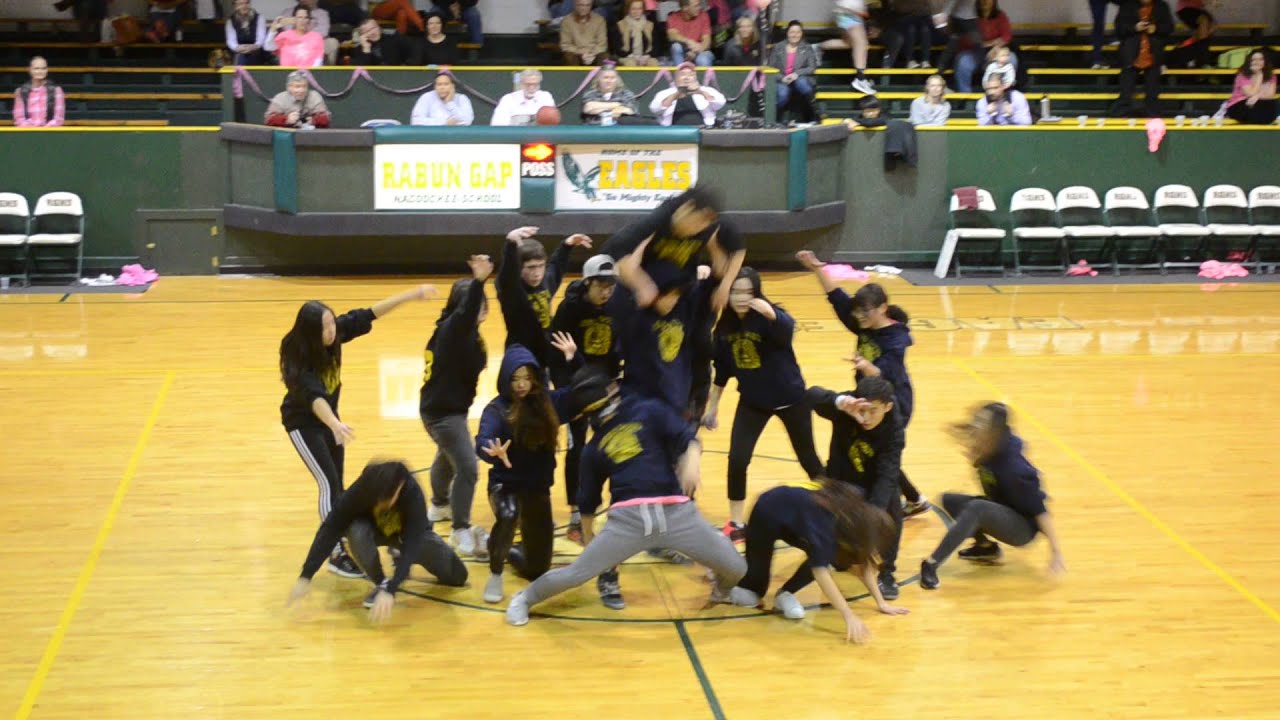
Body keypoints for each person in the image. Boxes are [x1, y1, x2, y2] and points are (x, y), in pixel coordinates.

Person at [504, 368, 748, 626]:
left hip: (678, 514)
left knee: (736, 567)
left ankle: (723, 592)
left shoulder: (649, 411)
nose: (602, 414)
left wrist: (691, 459)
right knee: (576, 573)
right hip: (627, 522)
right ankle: (524, 598)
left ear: (613, 392)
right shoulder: (593, 449)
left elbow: (686, 437)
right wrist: (590, 543)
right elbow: (587, 502)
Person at [279, 284, 435, 579]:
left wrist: (409, 295)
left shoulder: (334, 333)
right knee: (327, 483)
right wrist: (334, 423)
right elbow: (313, 396)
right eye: (325, 327)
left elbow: (369, 314)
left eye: (332, 323)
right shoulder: (295, 355)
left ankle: (339, 542)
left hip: (330, 421)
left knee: (338, 484)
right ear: (311, 331)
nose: (332, 331)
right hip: (303, 423)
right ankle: (336, 553)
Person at [797, 251, 928, 518]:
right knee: (877, 450)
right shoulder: (863, 323)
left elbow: (888, 371)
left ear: (882, 308)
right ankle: (915, 498)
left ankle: (887, 510)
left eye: (865, 311)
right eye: (857, 312)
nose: (858, 317)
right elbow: (838, 299)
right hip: (868, 396)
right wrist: (816, 268)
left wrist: (868, 368)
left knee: (882, 451)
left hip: (894, 403)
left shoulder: (896, 337)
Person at [702, 268, 824, 541]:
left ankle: (838, 509)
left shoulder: (769, 317)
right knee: (737, 459)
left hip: (791, 400)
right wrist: (712, 407)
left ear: (757, 293)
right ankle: (736, 523)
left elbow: (786, 329)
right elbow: (721, 372)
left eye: (748, 292)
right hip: (753, 402)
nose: (741, 298)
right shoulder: (724, 329)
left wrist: (771, 314)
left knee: (808, 458)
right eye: (735, 291)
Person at [286, 460, 468, 623]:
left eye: (386, 501)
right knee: (355, 529)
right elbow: (331, 527)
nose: (381, 504)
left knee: (458, 577)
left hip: (408, 535)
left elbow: (413, 544)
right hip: (375, 531)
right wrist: (306, 575)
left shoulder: (412, 493)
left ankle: (397, 555)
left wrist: (393, 587)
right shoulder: (362, 488)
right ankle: (380, 582)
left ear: (399, 488)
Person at [728, 478, 909, 642]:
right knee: (752, 592)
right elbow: (820, 572)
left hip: (797, 522)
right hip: (767, 512)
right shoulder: (826, 523)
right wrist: (848, 615)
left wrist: (881, 603)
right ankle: (720, 560)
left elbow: (863, 562)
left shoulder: (858, 513)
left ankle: (785, 593)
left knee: (832, 555)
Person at [476, 337, 581, 603]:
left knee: (537, 569)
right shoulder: (496, 410)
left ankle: (493, 543)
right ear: (506, 381)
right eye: (515, 379)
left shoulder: (548, 403)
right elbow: (483, 439)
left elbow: (579, 394)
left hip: (536, 489)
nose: (521, 384)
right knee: (509, 514)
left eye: (526, 377)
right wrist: (491, 450)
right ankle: (495, 573)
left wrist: (573, 360)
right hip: (505, 485)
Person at [919, 403, 1066, 590]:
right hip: (1001, 507)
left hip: (1021, 529)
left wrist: (1056, 552)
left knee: (977, 508)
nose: (975, 425)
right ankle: (986, 548)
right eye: (976, 419)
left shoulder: (1015, 469)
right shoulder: (988, 445)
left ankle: (931, 564)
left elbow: (1040, 510)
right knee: (950, 500)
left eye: (981, 422)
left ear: (994, 432)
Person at [807, 376, 907, 600]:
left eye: (874, 411)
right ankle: (842, 554)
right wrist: (841, 402)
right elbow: (811, 395)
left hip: (874, 481)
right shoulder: (847, 407)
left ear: (888, 407)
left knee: (891, 511)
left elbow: (888, 475)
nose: (865, 417)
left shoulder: (894, 430)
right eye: (863, 409)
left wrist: (873, 513)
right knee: (830, 519)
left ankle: (887, 572)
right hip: (841, 478)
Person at [420, 256, 492, 558]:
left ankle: (438, 505)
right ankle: (460, 527)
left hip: (448, 409)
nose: (482, 307)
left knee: (447, 457)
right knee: (468, 467)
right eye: (476, 303)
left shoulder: (459, 330)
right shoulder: (454, 329)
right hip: (442, 414)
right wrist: (478, 282)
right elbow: (464, 316)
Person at [550, 255, 620, 543]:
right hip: (577, 386)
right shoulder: (570, 309)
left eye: (611, 286)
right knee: (577, 449)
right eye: (601, 285)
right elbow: (554, 354)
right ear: (588, 282)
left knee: (614, 446)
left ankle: (618, 509)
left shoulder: (618, 306)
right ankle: (576, 514)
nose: (606, 291)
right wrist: (569, 394)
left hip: (607, 386)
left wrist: (617, 383)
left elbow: (618, 347)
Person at [601, 185, 744, 315]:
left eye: (705, 225)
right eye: (697, 222)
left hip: (678, 284)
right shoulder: (660, 218)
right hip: (649, 280)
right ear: (687, 208)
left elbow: (738, 249)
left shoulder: (710, 223)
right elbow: (613, 248)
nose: (699, 230)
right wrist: (643, 285)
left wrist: (725, 285)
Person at [497, 226, 592, 373]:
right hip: (521, 353)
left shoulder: (545, 282)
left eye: (541, 266)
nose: (537, 273)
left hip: (544, 352)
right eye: (531, 267)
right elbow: (506, 278)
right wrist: (510, 245)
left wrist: (567, 245)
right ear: (519, 268)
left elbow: (556, 267)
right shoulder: (513, 291)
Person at [1111, 0, 1173, 118]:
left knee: (1152, 90)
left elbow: (1169, 28)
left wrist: (1156, 28)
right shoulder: (1127, 5)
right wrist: (1135, 27)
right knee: (1126, 89)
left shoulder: (1161, 6)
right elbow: (1119, 28)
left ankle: (1153, 115)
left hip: (1153, 53)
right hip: (1131, 53)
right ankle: (1121, 114)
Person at [769, 20, 819, 120]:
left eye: (798, 32)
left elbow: (812, 68)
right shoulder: (778, 47)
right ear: (787, 33)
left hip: (799, 79)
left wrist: (796, 74)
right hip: (782, 79)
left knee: (802, 84)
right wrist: (782, 78)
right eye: (792, 32)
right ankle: (775, 118)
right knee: (782, 94)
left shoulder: (807, 47)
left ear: (801, 34)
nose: (795, 35)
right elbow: (771, 68)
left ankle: (814, 112)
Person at [649, 62, 726, 127]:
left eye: (690, 75)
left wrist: (700, 92)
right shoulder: (665, 93)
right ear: (676, 77)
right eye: (683, 74)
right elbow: (654, 109)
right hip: (672, 131)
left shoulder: (706, 90)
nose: (687, 77)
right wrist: (676, 95)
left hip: (703, 129)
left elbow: (720, 103)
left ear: (695, 77)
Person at [1224, 49, 1278, 126]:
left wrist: (1257, 96)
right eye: (1254, 60)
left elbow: (1270, 94)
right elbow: (1251, 93)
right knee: (1255, 105)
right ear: (1249, 61)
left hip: (1258, 103)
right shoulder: (1243, 75)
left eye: (1260, 59)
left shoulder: (1271, 76)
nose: (1257, 62)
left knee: (1271, 103)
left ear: (1265, 61)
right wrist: (1259, 75)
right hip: (1239, 104)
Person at [834, 0, 876, 94]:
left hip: (851, 16)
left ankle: (818, 46)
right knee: (862, 43)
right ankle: (860, 79)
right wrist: (859, 12)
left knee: (848, 43)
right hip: (848, 15)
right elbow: (845, 7)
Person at [264, 70, 331, 128]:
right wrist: (286, 119)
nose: (301, 90)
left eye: (304, 86)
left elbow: (326, 118)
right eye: (297, 86)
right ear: (289, 87)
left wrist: (314, 120)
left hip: (311, 135)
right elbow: (268, 119)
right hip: (287, 135)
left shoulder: (314, 96)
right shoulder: (280, 98)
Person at [490, 68, 556, 126]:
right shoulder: (508, 99)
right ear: (521, 83)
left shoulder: (546, 97)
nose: (531, 88)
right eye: (528, 84)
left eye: (535, 84)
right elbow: (498, 125)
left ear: (539, 83)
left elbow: (551, 123)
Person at [13, 56, 65, 128]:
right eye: (36, 68)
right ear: (30, 70)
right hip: (28, 133)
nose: (40, 71)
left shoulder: (56, 91)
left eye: (43, 68)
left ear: (47, 70)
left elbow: (58, 119)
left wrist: (44, 130)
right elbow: (19, 119)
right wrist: (33, 130)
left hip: (50, 133)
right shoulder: (20, 91)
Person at [410, 72, 474, 126]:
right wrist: (445, 122)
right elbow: (416, 121)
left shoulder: (462, 98)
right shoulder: (427, 97)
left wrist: (449, 103)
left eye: (446, 84)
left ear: (452, 86)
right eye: (439, 84)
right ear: (435, 87)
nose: (442, 87)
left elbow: (467, 121)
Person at [666, 0, 715, 66]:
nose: (699, 7)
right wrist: (689, 41)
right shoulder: (672, 17)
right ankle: (681, 74)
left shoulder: (703, 16)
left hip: (701, 51)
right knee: (676, 47)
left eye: (699, 5)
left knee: (702, 59)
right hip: (683, 53)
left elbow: (707, 41)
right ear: (685, 8)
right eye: (696, 6)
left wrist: (695, 52)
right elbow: (672, 35)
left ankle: (702, 76)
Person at [561, 0, 608, 65]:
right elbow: (566, 45)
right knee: (569, 56)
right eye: (581, 5)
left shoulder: (599, 20)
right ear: (575, 5)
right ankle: (575, 75)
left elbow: (602, 45)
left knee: (604, 57)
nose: (584, 8)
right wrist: (582, 53)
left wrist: (591, 54)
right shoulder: (567, 21)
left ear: (591, 6)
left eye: (587, 5)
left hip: (594, 54)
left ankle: (600, 75)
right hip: (576, 53)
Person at [226, 0, 267, 66]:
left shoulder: (259, 18)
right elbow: (231, 41)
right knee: (241, 58)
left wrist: (254, 47)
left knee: (254, 57)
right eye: (240, 4)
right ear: (235, 6)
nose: (244, 6)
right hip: (239, 50)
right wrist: (238, 48)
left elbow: (261, 39)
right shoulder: (230, 20)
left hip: (256, 50)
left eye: (246, 3)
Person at [617, 0, 658, 66]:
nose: (637, 12)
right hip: (626, 57)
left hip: (645, 57)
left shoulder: (650, 25)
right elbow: (618, 49)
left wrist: (647, 56)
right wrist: (632, 57)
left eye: (639, 8)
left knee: (653, 62)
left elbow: (656, 47)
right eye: (633, 9)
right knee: (631, 63)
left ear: (643, 10)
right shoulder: (620, 25)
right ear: (628, 9)